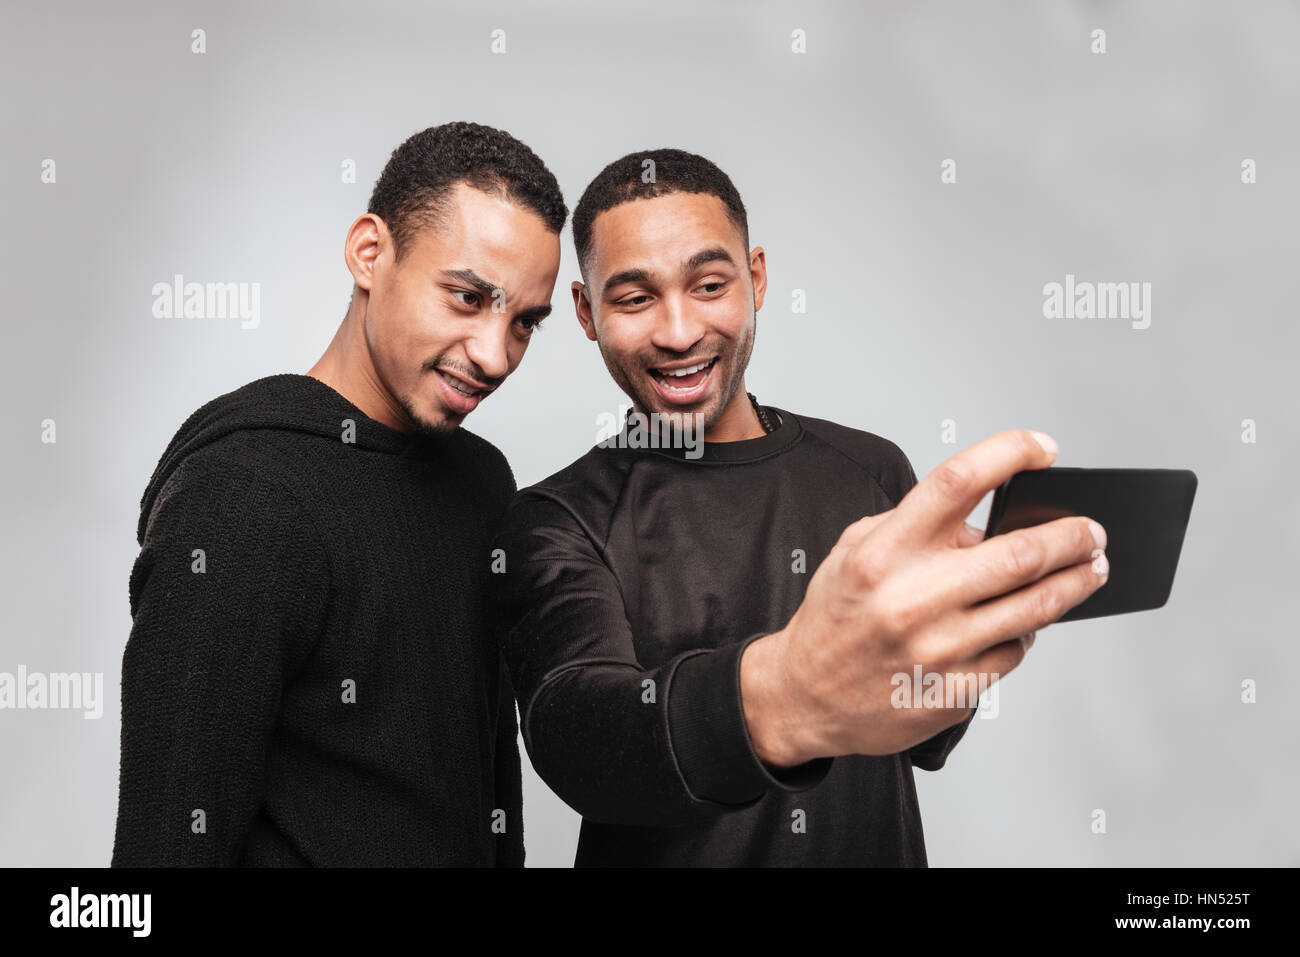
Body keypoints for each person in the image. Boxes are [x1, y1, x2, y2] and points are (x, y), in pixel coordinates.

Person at [489, 148, 1108, 866]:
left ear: (755, 279)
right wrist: (791, 693)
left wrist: (975, 635)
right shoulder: (554, 519)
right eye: (634, 298)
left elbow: (929, 735)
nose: (680, 330)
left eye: (710, 284)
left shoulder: (870, 470)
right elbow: (581, 738)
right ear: (586, 312)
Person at [111, 122, 565, 866]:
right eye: (465, 297)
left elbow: (492, 789)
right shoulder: (242, 497)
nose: (494, 354)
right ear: (368, 253)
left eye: (523, 323)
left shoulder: (484, 482)